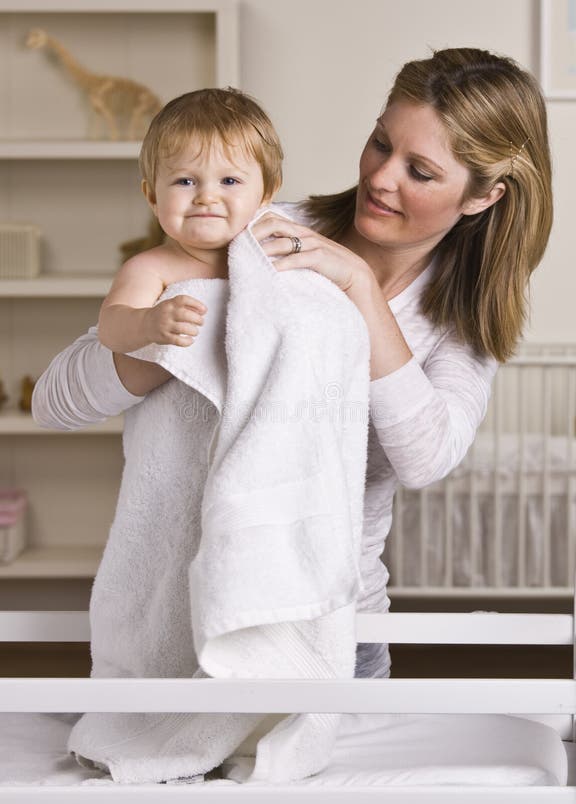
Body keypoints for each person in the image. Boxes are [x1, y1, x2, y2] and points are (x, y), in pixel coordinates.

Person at [32, 47, 553, 685]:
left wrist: (359, 288)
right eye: (379, 144)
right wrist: (178, 339)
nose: (381, 178)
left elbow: (425, 458)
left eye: (419, 170)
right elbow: (54, 401)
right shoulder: (253, 233)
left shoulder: (461, 321)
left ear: (482, 196)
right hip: (189, 610)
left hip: (334, 622)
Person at [97, 87, 283, 355]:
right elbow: (110, 328)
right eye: (185, 181)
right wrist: (148, 323)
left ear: (266, 192)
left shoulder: (277, 254)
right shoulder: (151, 269)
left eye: (229, 181)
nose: (207, 197)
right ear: (152, 196)